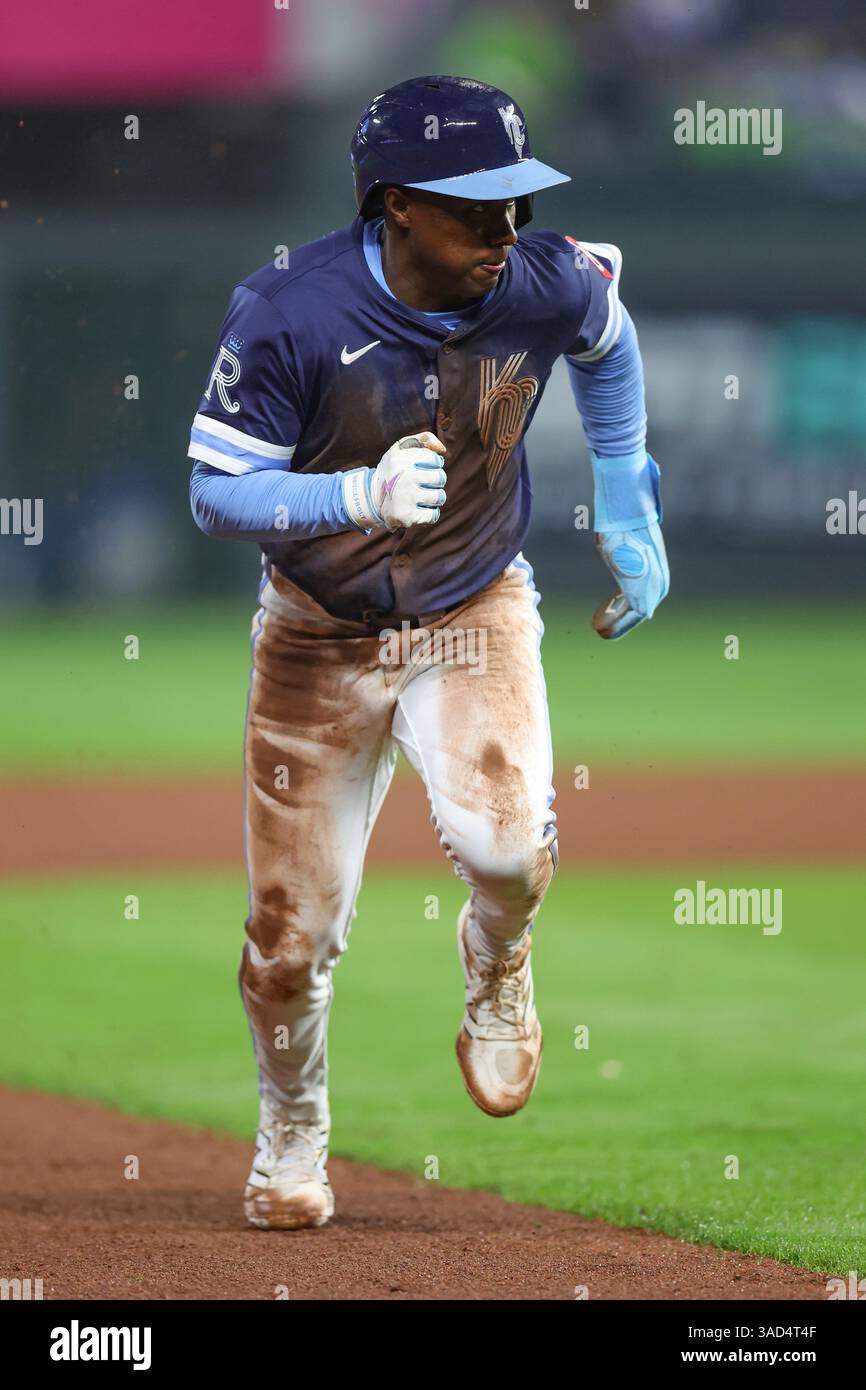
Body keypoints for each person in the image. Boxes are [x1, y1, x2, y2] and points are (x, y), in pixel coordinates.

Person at [188, 75, 669, 1231]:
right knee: (291, 941)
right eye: (477, 207)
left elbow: (609, 340)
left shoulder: (541, 275)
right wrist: (349, 492)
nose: (507, 230)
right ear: (395, 203)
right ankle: (292, 1129)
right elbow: (213, 491)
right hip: (316, 632)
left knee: (506, 853)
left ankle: (496, 965)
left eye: (517, 201)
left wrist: (624, 494)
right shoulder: (288, 310)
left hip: (474, 603)